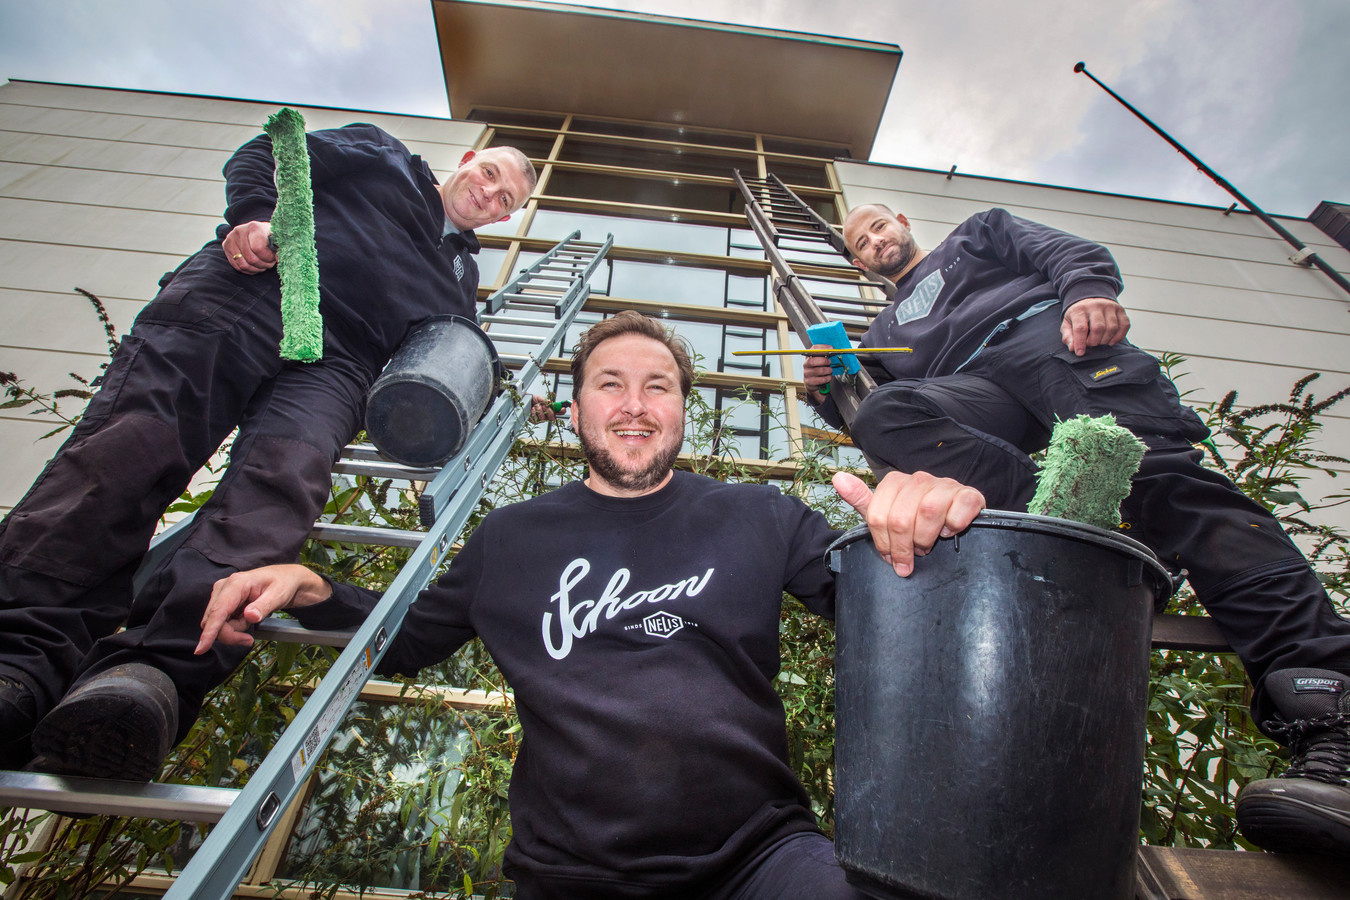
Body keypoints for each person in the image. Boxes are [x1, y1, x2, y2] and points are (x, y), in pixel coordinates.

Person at [198, 311, 986, 899]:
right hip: (568, 876)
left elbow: (896, 622)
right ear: (575, 410)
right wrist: (315, 590)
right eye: (610, 385)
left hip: (762, 862)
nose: (635, 405)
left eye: (659, 387)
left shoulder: (761, 516)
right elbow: (405, 641)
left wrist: (932, 528)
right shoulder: (511, 539)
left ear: (683, 409)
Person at [801, 203, 1350, 857]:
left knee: (1160, 478)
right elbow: (874, 398)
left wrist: (1089, 290)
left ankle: (1332, 716)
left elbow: (1059, 249)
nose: (874, 240)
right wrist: (824, 387)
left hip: (1051, 339)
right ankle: (1079, 527)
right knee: (885, 413)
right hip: (972, 384)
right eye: (861, 242)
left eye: (877, 226)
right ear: (858, 262)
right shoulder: (884, 328)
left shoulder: (975, 236)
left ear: (899, 220)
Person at [0, 121, 536, 780]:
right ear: (467, 160)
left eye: (506, 200)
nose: (491, 197)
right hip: (258, 289)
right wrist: (253, 218)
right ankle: (18, 661)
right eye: (491, 176)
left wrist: (507, 395)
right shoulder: (384, 155)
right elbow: (270, 152)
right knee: (123, 460)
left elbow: (452, 354)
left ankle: (154, 671)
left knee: (278, 493)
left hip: (337, 366)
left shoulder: (461, 276)